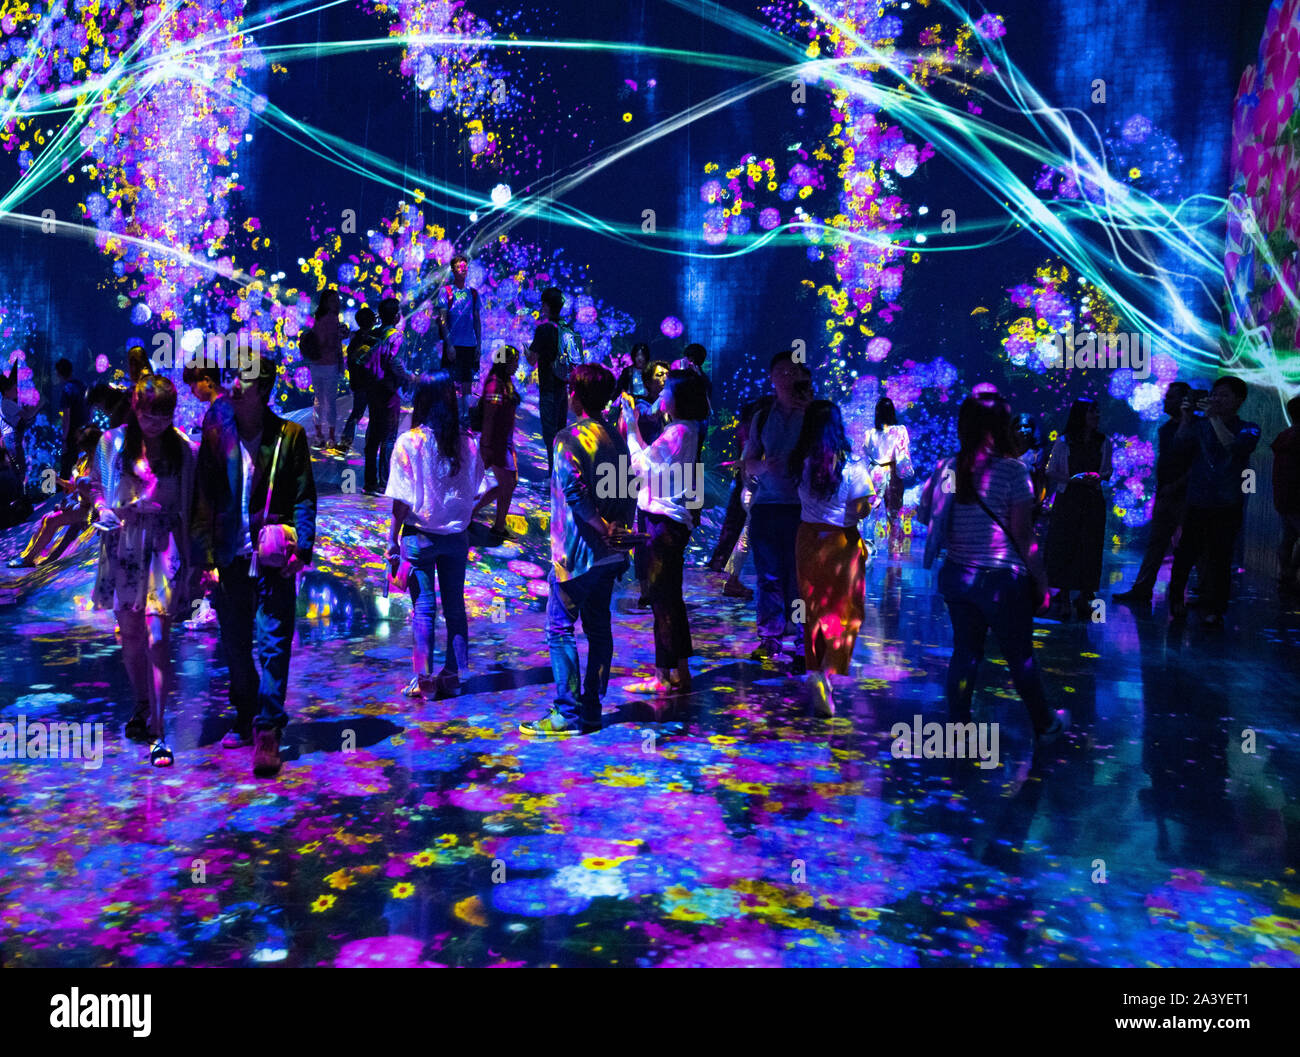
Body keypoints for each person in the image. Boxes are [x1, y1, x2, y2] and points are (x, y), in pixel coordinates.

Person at [193, 360, 317, 777]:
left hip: (273, 559)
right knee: (235, 645)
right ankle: (246, 714)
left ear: (263, 388)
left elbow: (304, 497)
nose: (232, 385)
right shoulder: (216, 438)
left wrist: (303, 548)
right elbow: (204, 502)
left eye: (242, 379)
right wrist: (205, 559)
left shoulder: (290, 436)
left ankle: (267, 730)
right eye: (232, 377)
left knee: (274, 642)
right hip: (230, 557)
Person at [918, 397, 1064, 750]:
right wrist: (1042, 580)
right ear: (999, 428)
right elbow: (1024, 535)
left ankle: (958, 729)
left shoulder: (947, 468)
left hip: (958, 575)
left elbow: (926, 516)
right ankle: (1045, 724)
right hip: (1001, 580)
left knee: (965, 653)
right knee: (1020, 656)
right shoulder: (1013, 471)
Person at [520, 364, 636, 737]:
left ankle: (566, 713)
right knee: (599, 628)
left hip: (579, 550)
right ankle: (591, 709)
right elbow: (627, 489)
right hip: (610, 553)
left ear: (576, 395)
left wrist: (600, 528)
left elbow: (575, 493)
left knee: (559, 626)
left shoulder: (568, 438)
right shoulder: (616, 437)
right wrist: (618, 532)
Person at [88, 376, 196, 768]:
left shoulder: (182, 450)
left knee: (156, 634)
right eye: (148, 415)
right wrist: (102, 508)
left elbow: (186, 508)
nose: (154, 423)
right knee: (130, 632)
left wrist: (192, 563)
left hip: (162, 544)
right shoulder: (112, 443)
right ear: (135, 409)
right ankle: (141, 703)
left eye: (162, 416)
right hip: (122, 543)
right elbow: (97, 489)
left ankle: (160, 730)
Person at [385, 373, 485, 698]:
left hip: (419, 537)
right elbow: (480, 487)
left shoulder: (410, 442)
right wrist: (462, 514)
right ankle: (453, 675)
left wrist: (391, 540)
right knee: (455, 607)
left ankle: (423, 679)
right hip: (456, 537)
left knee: (424, 609)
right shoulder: (467, 442)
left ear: (422, 400)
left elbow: (400, 500)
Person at [621, 369, 711, 696]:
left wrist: (630, 426)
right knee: (671, 599)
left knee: (662, 600)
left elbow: (641, 468)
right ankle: (680, 672)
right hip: (667, 521)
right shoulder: (683, 430)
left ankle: (662, 676)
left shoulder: (679, 433)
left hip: (661, 524)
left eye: (667, 389)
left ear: (679, 397)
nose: (662, 393)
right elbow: (652, 464)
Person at [791, 400, 877, 717]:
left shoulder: (800, 461)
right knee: (846, 614)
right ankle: (826, 674)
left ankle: (814, 673)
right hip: (840, 543)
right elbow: (860, 510)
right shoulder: (853, 466)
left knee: (815, 613)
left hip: (807, 541)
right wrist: (871, 504)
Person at [1167, 376, 1261, 625]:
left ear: (1239, 401)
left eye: (1225, 395)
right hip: (1198, 500)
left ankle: (1214, 609)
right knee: (1185, 554)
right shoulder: (1200, 425)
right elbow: (1179, 446)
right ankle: (1176, 600)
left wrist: (1213, 419)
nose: (1217, 399)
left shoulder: (1249, 427)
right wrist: (1186, 419)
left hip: (1228, 504)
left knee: (1221, 559)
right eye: (1215, 394)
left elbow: (1236, 447)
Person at [742, 350, 811, 671]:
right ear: (770, 377)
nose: (785, 377)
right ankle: (769, 638)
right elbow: (749, 462)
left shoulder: (814, 413)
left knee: (799, 580)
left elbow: (833, 452)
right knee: (768, 577)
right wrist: (764, 467)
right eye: (779, 372)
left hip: (802, 508)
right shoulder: (763, 416)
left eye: (791, 372)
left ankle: (801, 641)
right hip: (767, 507)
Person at [1114, 382, 1193, 607]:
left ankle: (1177, 594)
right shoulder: (1166, 428)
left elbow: (1194, 462)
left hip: (1186, 494)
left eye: (1171, 397)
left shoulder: (1197, 427)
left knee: (1186, 545)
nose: (1165, 401)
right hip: (1166, 492)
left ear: (1183, 401)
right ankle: (1143, 588)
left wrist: (1176, 485)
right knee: (1157, 542)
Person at [1043, 398, 1112, 619]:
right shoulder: (1064, 442)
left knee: (1090, 546)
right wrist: (1074, 479)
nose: (1096, 416)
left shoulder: (1103, 441)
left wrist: (1098, 477)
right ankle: (1063, 595)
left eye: (1097, 412)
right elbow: (1051, 471)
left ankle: (1084, 595)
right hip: (1069, 498)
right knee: (1065, 544)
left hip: (1092, 499)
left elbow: (1107, 470)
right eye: (1092, 412)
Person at [8, 426, 100, 568]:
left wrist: (72, 498)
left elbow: (86, 488)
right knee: (46, 518)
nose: (78, 442)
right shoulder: (83, 460)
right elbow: (72, 486)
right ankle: (27, 554)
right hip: (80, 502)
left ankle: (29, 559)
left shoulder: (99, 463)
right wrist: (57, 479)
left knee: (51, 520)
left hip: (89, 507)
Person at [472, 344, 522, 539]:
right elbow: (489, 418)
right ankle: (494, 524)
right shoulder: (494, 384)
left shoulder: (505, 382)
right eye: (514, 361)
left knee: (509, 483)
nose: (517, 365)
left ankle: (489, 520)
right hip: (495, 444)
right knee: (508, 483)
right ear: (505, 362)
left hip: (505, 442)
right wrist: (485, 445)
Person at [363, 298, 411, 495]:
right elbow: (395, 362)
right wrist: (409, 377)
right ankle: (384, 481)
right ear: (395, 316)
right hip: (390, 390)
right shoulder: (396, 336)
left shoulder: (372, 334)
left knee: (373, 433)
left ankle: (370, 481)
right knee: (389, 436)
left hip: (373, 387)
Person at [862, 396, 914, 556]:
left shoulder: (870, 433)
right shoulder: (901, 430)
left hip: (875, 472)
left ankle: (869, 546)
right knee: (894, 512)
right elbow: (904, 452)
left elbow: (867, 451)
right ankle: (895, 547)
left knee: (871, 511)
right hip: (893, 473)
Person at [524, 286, 568, 474]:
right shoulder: (567, 329)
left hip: (548, 388)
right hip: (562, 388)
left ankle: (553, 476)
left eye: (543, 304)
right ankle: (562, 473)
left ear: (547, 306)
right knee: (561, 433)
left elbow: (532, 360)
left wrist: (526, 349)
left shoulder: (543, 330)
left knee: (550, 435)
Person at [437, 254, 482, 418]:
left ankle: (464, 417)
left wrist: (479, 345)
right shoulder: (446, 291)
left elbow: (477, 320)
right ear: (453, 270)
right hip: (453, 345)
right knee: (448, 382)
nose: (463, 269)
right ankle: (448, 415)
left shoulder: (473, 293)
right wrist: (449, 344)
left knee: (467, 383)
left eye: (465, 266)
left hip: (470, 345)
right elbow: (442, 320)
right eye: (459, 266)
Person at [305, 287, 348, 450]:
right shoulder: (332, 318)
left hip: (316, 365)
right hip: (329, 365)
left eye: (336, 300)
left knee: (318, 400)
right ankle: (330, 436)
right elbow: (331, 344)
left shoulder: (318, 318)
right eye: (332, 300)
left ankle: (318, 435)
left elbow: (319, 341)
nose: (336, 302)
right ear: (326, 302)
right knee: (330, 401)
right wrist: (339, 335)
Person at [340, 306, 380, 453]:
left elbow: (351, 362)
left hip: (360, 383)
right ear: (371, 322)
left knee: (358, 413)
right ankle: (370, 442)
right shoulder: (370, 339)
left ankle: (346, 441)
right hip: (368, 383)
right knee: (369, 413)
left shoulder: (355, 338)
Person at [1272, 395, 1300, 596]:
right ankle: (1291, 572)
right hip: (1297, 497)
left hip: (1283, 496)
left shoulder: (1284, 436)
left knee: (1287, 537)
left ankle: (1284, 573)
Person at [55, 357, 88, 479]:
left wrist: (64, 439)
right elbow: (90, 407)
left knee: (67, 468)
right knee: (82, 465)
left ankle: (65, 495)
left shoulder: (67, 389)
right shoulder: (82, 385)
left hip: (72, 436)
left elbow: (66, 417)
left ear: (59, 373)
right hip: (84, 432)